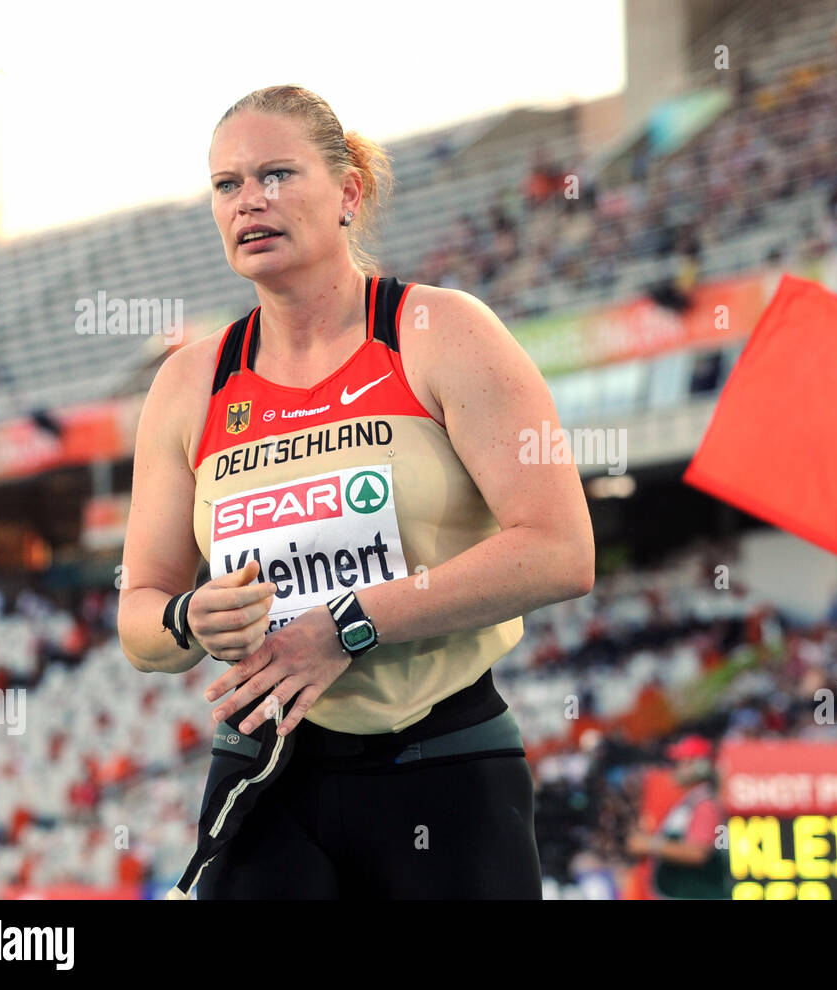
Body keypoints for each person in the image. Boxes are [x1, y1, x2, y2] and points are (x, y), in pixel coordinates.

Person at [117, 85, 595, 899]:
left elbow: (560, 552)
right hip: (268, 776)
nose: (250, 202)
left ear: (348, 192)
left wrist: (348, 627)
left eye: (276, 174)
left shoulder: (441, 331)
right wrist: (185, 618)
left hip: (441, 767)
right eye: (227, 185)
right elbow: (140, 617)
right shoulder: (188, 383)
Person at [626, 735, 729, 899]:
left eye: (680, 762)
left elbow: (698, 852)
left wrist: (649, 844)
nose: (673, 768)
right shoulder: (692, 801)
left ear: (699, 766)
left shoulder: (704, 804)